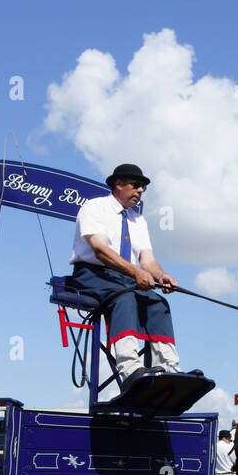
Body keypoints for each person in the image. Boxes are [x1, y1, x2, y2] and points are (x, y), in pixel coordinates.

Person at [70, 163, 184, 389]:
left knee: (158, 302)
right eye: (137, 185)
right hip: (93, 273)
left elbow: (148, 260)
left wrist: (162, 276)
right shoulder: (95, 208)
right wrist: (137, 273)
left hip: (126, 277)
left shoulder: (137, 220)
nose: (141, 190)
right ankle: (130, 367)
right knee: (124, 297)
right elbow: (100, 251)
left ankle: (170, 368)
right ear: (118, 184)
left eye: (143, 187)